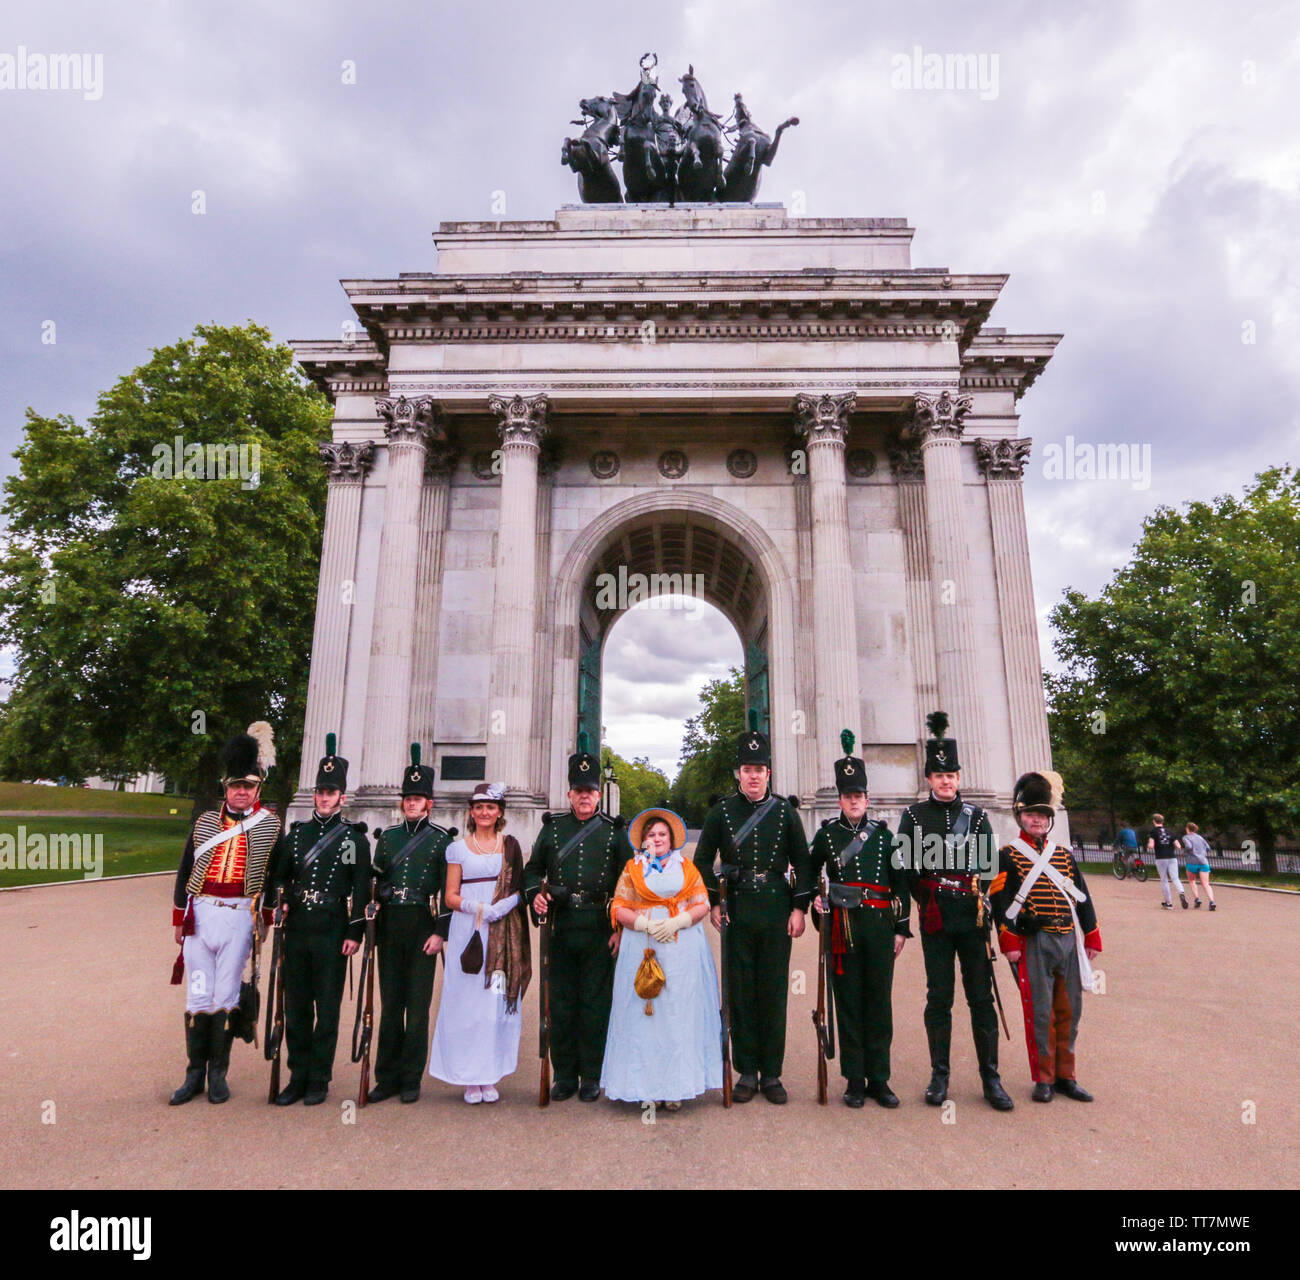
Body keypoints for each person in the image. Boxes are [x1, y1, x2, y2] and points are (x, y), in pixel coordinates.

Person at [693, 709, 812, 1104]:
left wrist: (799, 909)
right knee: (741, 991)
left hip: (777, 908)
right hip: (738, 909)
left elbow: (804, 863)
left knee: (774, 991)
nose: (754, 775)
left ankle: (772, 1073)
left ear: (769, 773)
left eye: (760, 768)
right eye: (747, 768)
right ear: (738, 773)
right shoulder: (721, 812)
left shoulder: (785, 812)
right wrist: (712, 901)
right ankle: (746, 1070)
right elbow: (700, 861)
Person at [897, 711, 1013, 1111]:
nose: (946, 781)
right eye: (939, 775)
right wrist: (927, 900)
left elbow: (990, 872)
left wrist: (992, 920)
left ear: (959, 778)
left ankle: (991, 1078)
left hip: (973, 922)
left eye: (952, 775)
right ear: (928, 779)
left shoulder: (978, 817)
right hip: (937, 921)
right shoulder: (913, 817)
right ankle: (939, 1075)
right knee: (939, 998)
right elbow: (908, 868)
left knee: (981, 999)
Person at [169, 723, 279, 1105]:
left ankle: (218, 1074)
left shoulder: (270, 826)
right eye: (236, 786)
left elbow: (276, 874)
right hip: (200, 914)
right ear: (226, 787)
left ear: (257, 789)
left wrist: (265, 918)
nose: (242, 792)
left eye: (248, 786)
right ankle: (193, 1074)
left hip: (238, 916)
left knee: (226, 992)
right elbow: (185, 871)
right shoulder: (203, 823)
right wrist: (179, 919)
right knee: (198, 993)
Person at [264, 736, 371, 1106]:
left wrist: (354, 931)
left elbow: (360, 889)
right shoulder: (296, 836)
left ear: (343, 796)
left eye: (331, 792)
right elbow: (277, 877)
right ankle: (298, 1075)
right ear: (314, 795)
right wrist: (280, 901)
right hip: (297, 930)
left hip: (331, 930)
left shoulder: (354, 838)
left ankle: (319, 1079)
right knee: (295, 1007)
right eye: (320, 792)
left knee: (326, 1009)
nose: (325, 798)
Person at [809, 730, 911, 1108]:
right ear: (840, 800)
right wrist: (815, 906)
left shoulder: (886, 838)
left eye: (859, 796)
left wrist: (901, 929)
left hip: (880, 929)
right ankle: (854, 1079)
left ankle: (879, 1078)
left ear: (867, 799)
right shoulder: (826, 836)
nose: (854, 802)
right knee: (849, 1001)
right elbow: (808, 874)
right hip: (842, 931)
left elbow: (901, 885)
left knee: (878, 1003)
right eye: (848, 796)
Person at [990, 771, 1102, 1103]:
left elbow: (1082, 897)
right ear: (1020, 817)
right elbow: (1000, 903)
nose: (1037, 820)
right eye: (1030, 814)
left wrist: (1091, 934)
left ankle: (1067, 1075)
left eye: (1042, 815)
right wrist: (1008, 941)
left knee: (1070, 1010)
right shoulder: (1007, 856)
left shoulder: (1064, 855)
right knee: (1041, 1011)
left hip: (1067, 939)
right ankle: (1044, 1077)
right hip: (1033, 941)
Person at [525, 732, 625, 1102]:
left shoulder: (615, 833)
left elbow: (627, 883)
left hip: (600, 926)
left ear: (599, 795)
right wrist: (536, 895)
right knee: (561, 1002)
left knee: (596, 1003)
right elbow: (533, 870)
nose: (584, 797)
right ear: (569, 795)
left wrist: (619, 928)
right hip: (562, 926)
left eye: (590, 791)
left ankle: (592, 1074)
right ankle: (564, 1073)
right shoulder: (552, 829)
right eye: (578, 791)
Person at [601, 808, 721, 1108]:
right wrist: (644, 924)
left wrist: (677, 922)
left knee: (678, 1012)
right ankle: (645, 1085)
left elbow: (702, 903)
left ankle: (676, 1086)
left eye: (662, 834)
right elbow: (619, 906)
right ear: (643, 840)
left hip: (681, 944)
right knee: (643, 1013)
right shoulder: (633, 868)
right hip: (642, 943)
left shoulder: (686, 867)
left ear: (671, 839)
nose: (657, 839)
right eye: (651, 834)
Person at [428, 782, 531, 1103]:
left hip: (503, 931)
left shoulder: (511, 846)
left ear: (500, 812)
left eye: (490, 807)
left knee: (495, 1003)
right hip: (468, 931)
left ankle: (489, 1073)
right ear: (471, 812)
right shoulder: (458, 848)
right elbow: (450, 896)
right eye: (479, 807)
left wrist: (506, 905)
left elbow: (520, 888)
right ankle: (469, 1077)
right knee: (466, 1003)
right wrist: (477, 908)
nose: (484, 812)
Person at [366, 744, 456, 1104]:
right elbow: (375, 881)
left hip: (421, 924)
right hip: (390, 924)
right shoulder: (387, 838)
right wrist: (376, 897)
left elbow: (450, 892)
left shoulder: (440, 839)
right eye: (408, 798)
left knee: (417, 1008)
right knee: (390, 1005)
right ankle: (385, 1077)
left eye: (419, 798)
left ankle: (410, 1078)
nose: (412, 803)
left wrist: (440, 933)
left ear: (429, 802)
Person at [1148, 813, 1186, 909]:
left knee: (1164, 880)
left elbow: (1151, 845)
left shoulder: (1153, 832)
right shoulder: (1170, 832)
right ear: (1162, 822)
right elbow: (1178, 846)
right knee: (1175, 878)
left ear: (1154, 821)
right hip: (1172, 857)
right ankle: (1181, 892)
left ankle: (1168, 903)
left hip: (1161, 857)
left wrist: (1149, 845)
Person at [1182, 822, 1217, 911]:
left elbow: (1189, 846)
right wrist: (1202, 854)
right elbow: (1208, 848)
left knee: (1192, 880)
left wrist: (1185, 852)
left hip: (1192, 861)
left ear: (1187, 829)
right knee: (1206, 883)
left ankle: (1197, 899)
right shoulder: (1200, 838)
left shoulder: (1186, 837)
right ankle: (1212, 901)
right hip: (1203, 862)